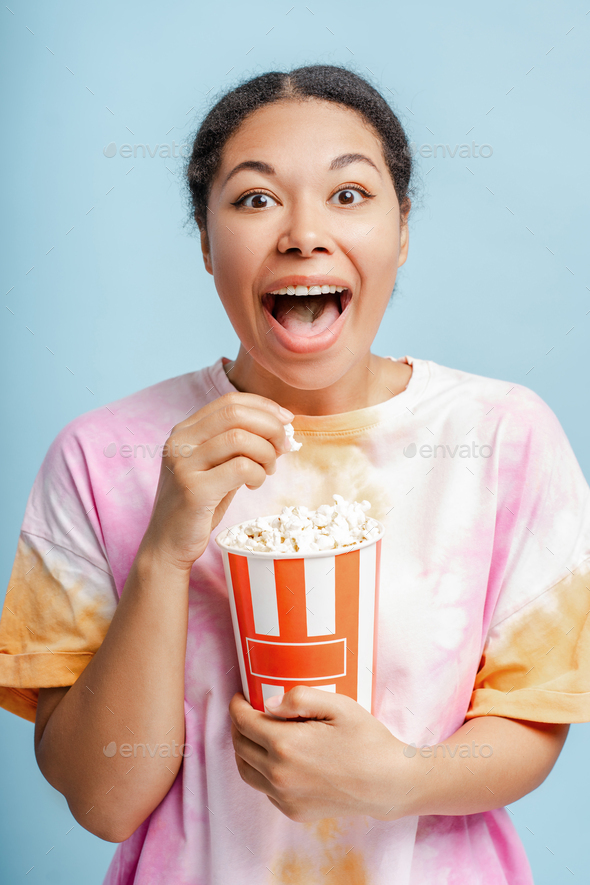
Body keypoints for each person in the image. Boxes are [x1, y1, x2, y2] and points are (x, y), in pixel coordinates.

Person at [0, 65, 588, 885]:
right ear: (206, 243)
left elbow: (530, 720)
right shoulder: (102, 457)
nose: (304, 232)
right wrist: (166, 549)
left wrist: (400, 778)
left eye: (350, 194)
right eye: (254, 199)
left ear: (403, 228)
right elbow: (103, 800)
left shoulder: (502, 438)